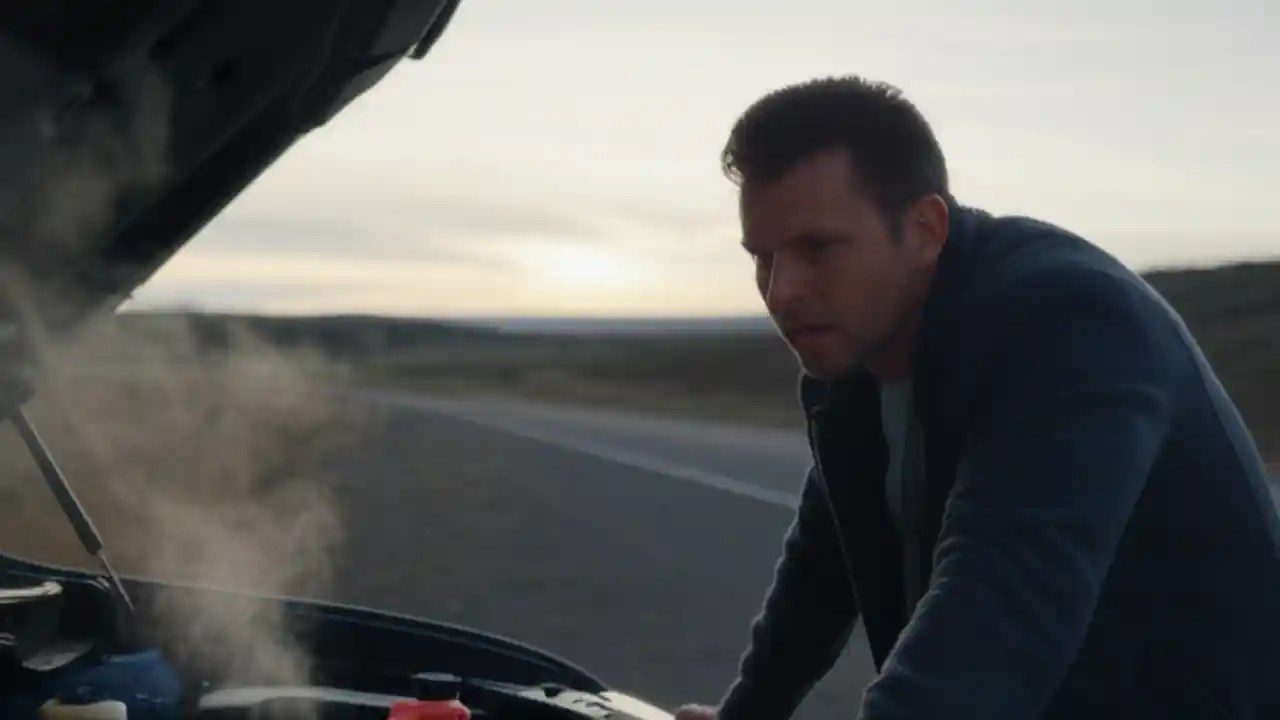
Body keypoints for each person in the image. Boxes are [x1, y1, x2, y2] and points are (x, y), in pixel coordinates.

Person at [676, 76, 1280, 719]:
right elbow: (825, 564)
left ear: (925, 228)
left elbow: (1000, 603)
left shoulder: (1071, 324)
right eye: (763, 258)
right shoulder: (855, 353)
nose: (782, 292)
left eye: (818, 248)